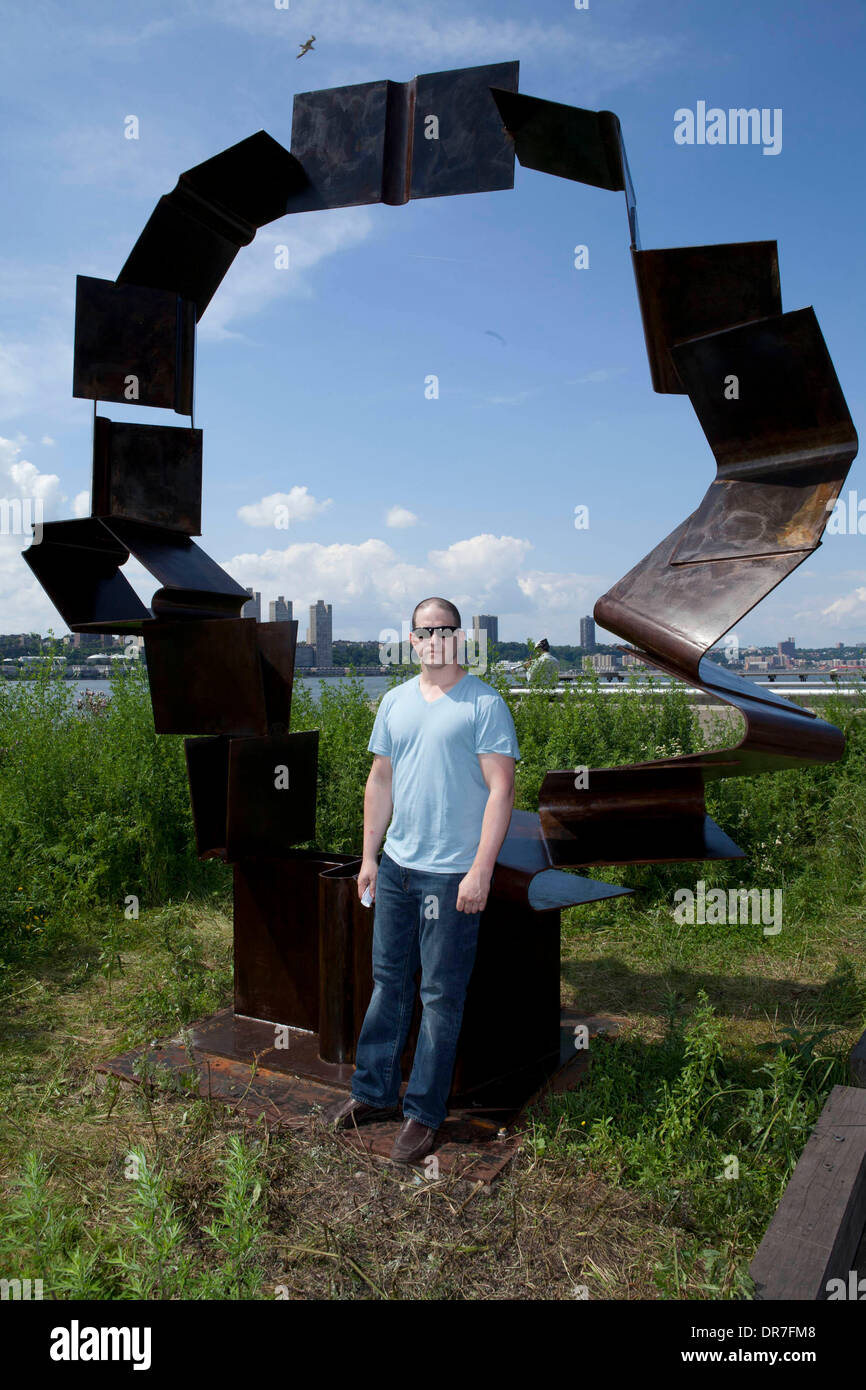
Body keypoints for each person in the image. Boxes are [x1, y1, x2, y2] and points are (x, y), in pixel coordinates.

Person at [321, 597, 520, 1163]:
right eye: (425, 630)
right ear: (411, 640)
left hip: (451, 874)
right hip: (399, 869)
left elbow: (502, 791)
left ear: (461, 638)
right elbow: (379, 781)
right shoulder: (393, 702)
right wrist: (369, 858)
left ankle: (423, 1114)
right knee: (388, 983)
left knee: (439, 994)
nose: (435, 638)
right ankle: (374, 1093)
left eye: (446, 630)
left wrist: (480, 869)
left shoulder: (483, 704)